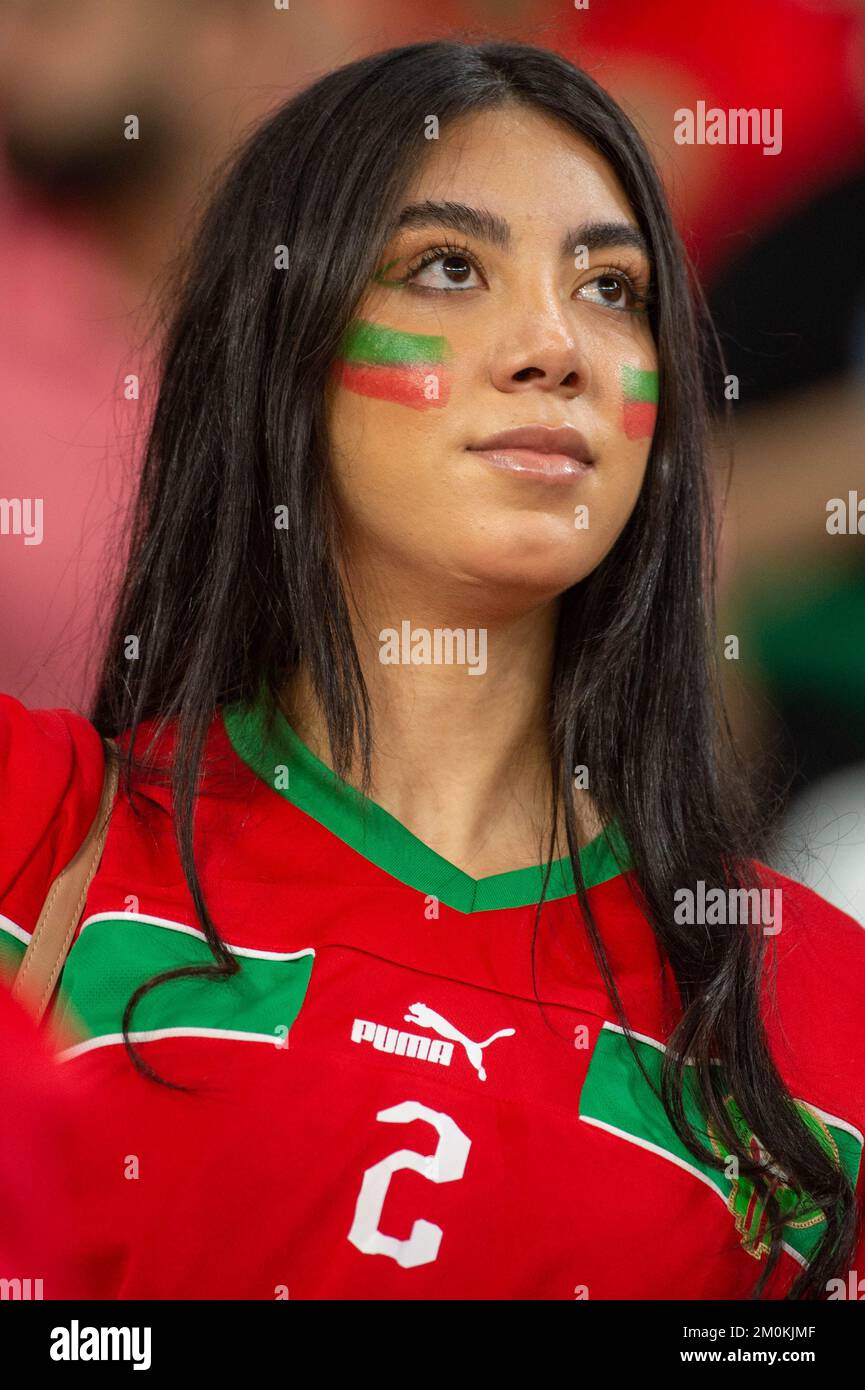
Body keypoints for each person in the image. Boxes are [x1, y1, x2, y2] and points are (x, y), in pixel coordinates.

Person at [2, 39, 864, 1301]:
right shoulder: (35, 830)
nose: (552, 345)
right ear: (280, 351)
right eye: (449, 267)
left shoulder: (822, 1013)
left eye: (613, 289)